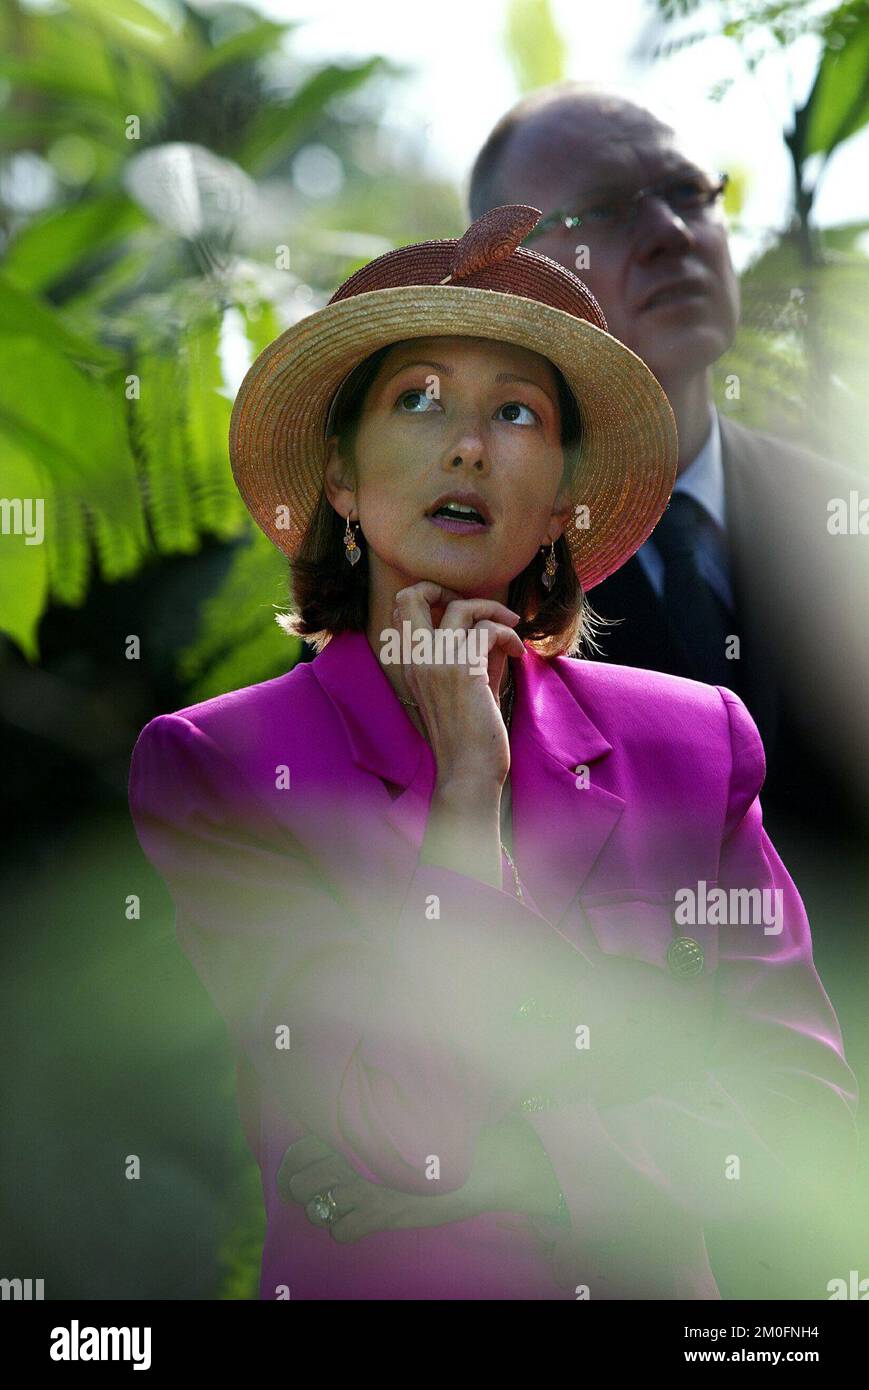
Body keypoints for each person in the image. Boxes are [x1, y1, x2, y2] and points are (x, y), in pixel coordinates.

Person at [128, 205, 857, 1301]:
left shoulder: (693, 743)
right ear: (339, 478)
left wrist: (534, 1168)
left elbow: (802, 1124)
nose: (466, 443)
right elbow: (400, 1129)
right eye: (415, 398)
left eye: (515, 412)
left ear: (563, 498)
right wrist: (466, 791)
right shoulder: (219, 769)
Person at [467, 85, 869, 966]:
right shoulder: (442, 582)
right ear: (505, 283)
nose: (671, 234)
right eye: (604, 209)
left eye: (689, 194)